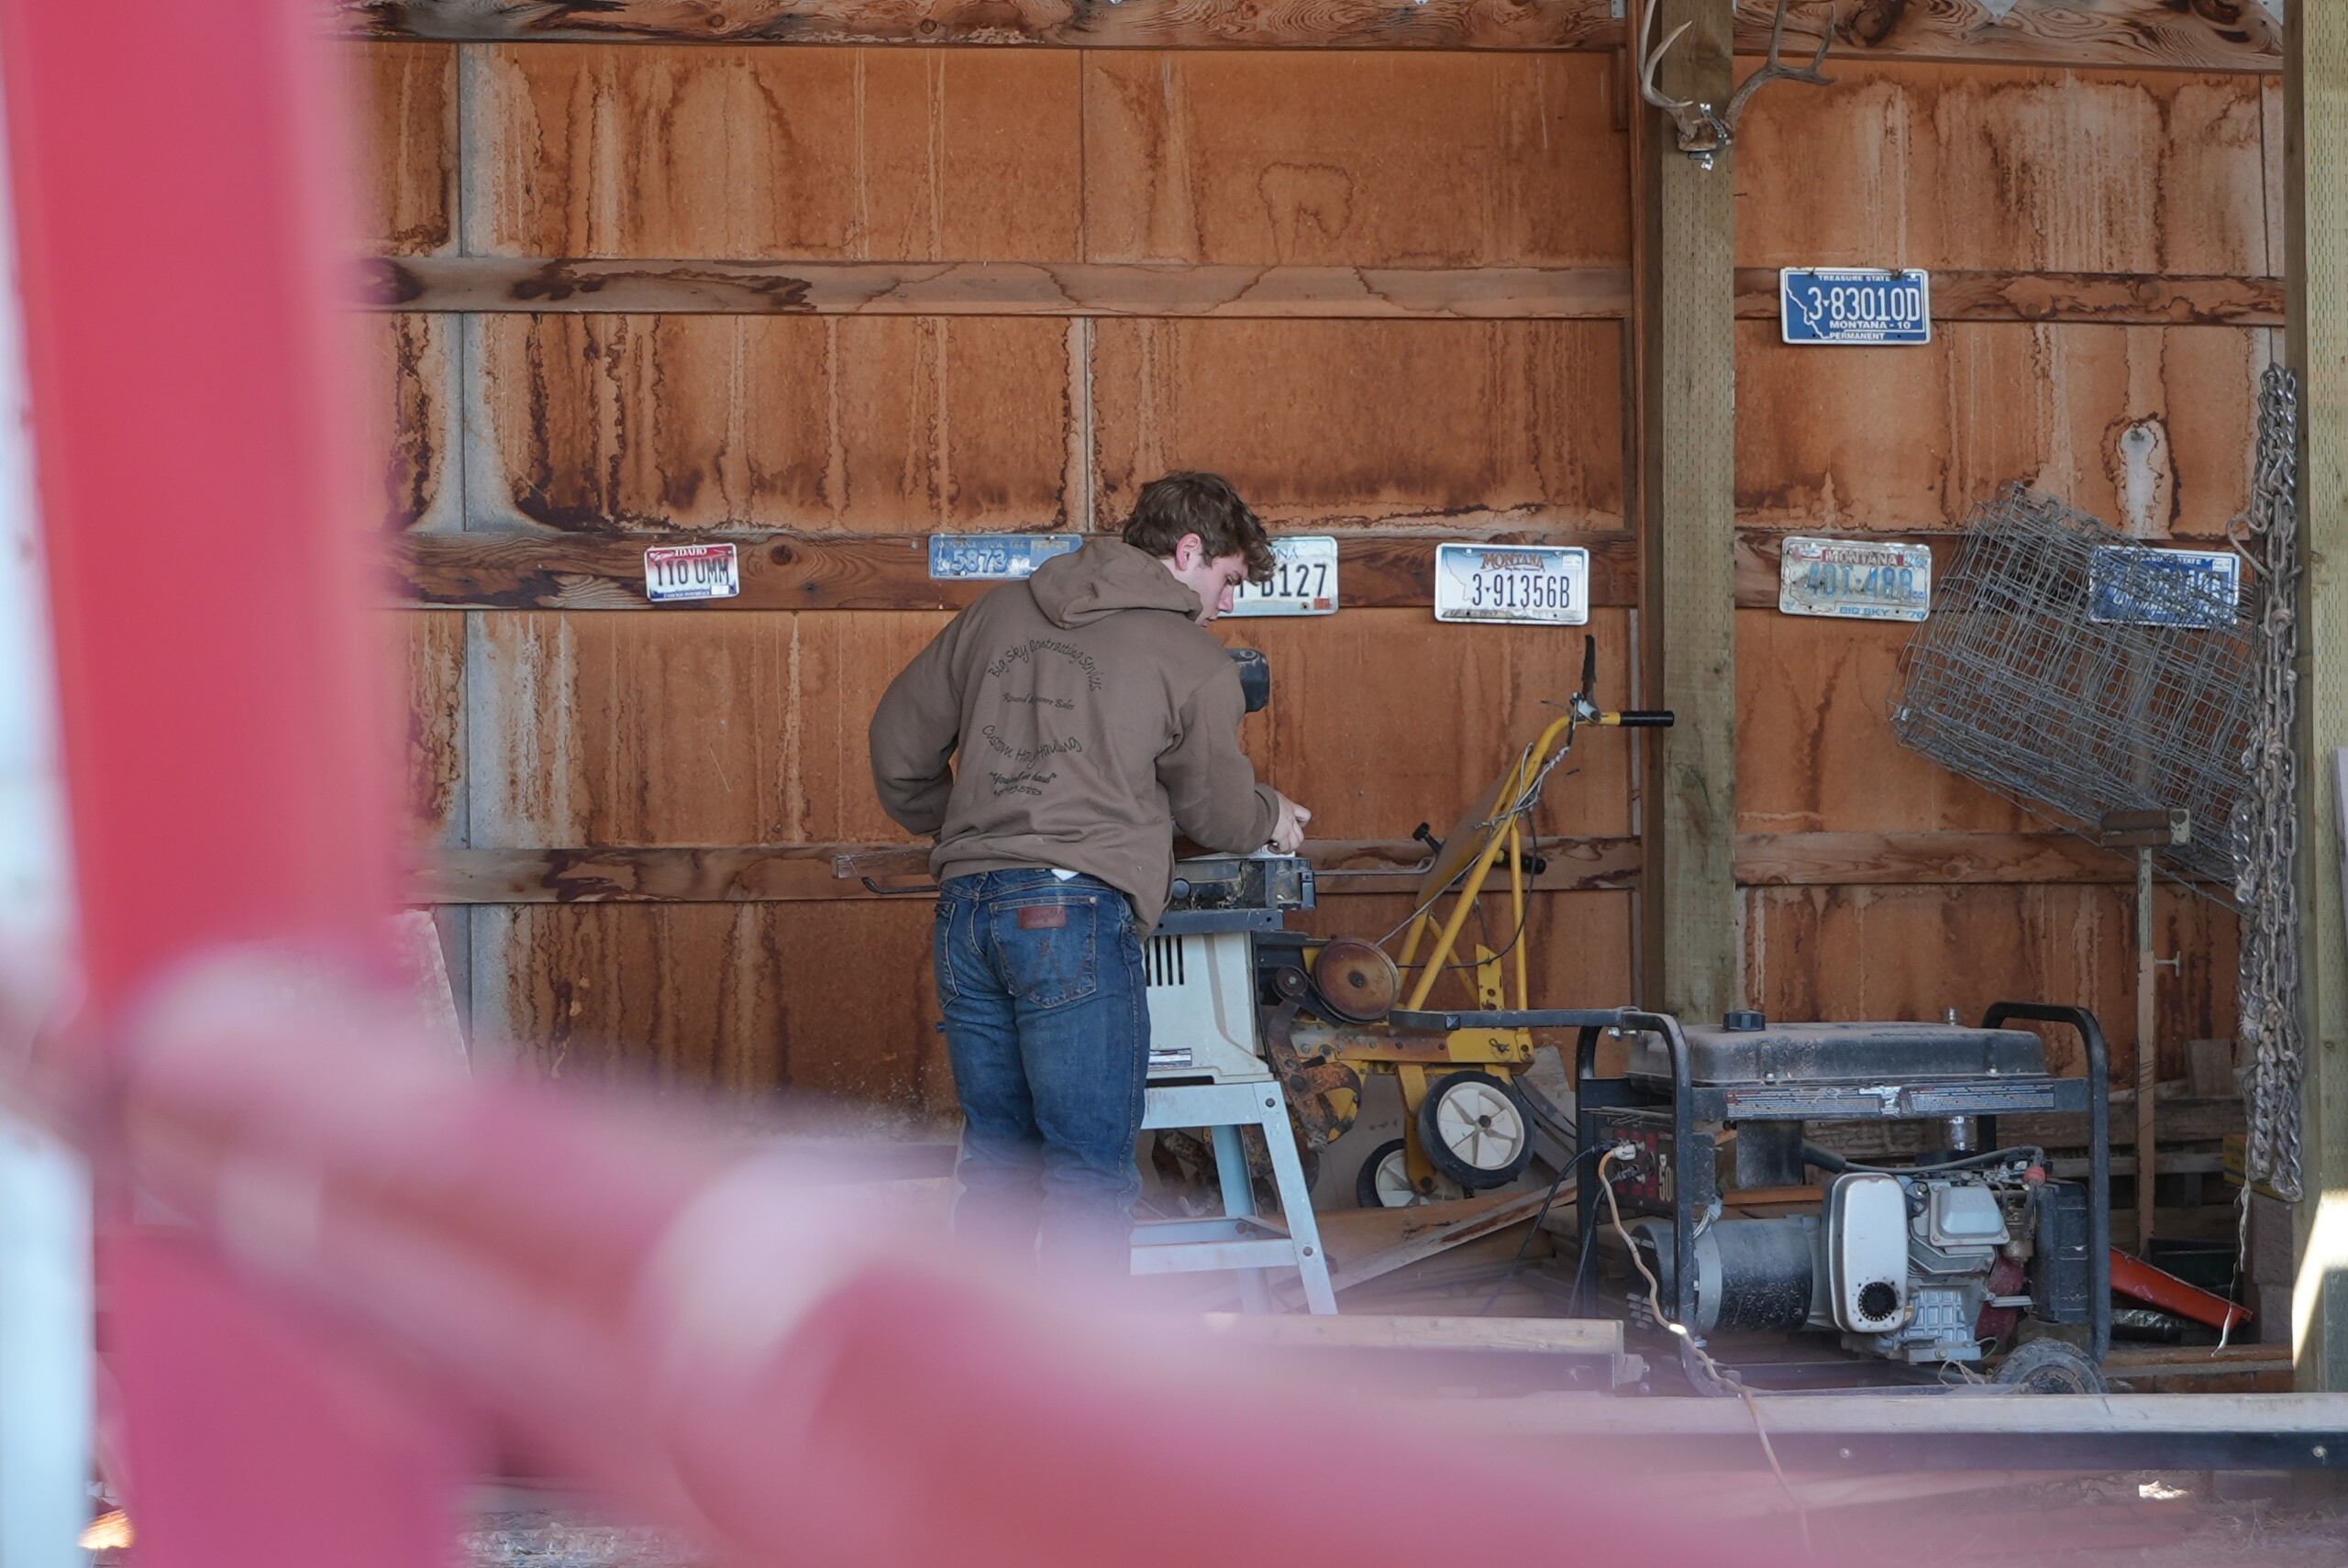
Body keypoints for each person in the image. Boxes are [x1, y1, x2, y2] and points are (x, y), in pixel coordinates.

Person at [869, 471, 1312, 1280]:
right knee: (1086, 1173)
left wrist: (976, 826)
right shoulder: (1194, 661)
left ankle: (976, 1382)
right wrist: (1270, 816)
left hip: (967, 912)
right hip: (1072, 917)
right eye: (1230, 578)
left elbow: (899, 752)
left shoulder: (995, 615)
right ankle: (1073, 1391)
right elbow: (1214, 814)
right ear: (1189, 551)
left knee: (1000, 1166)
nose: (1230, 602)